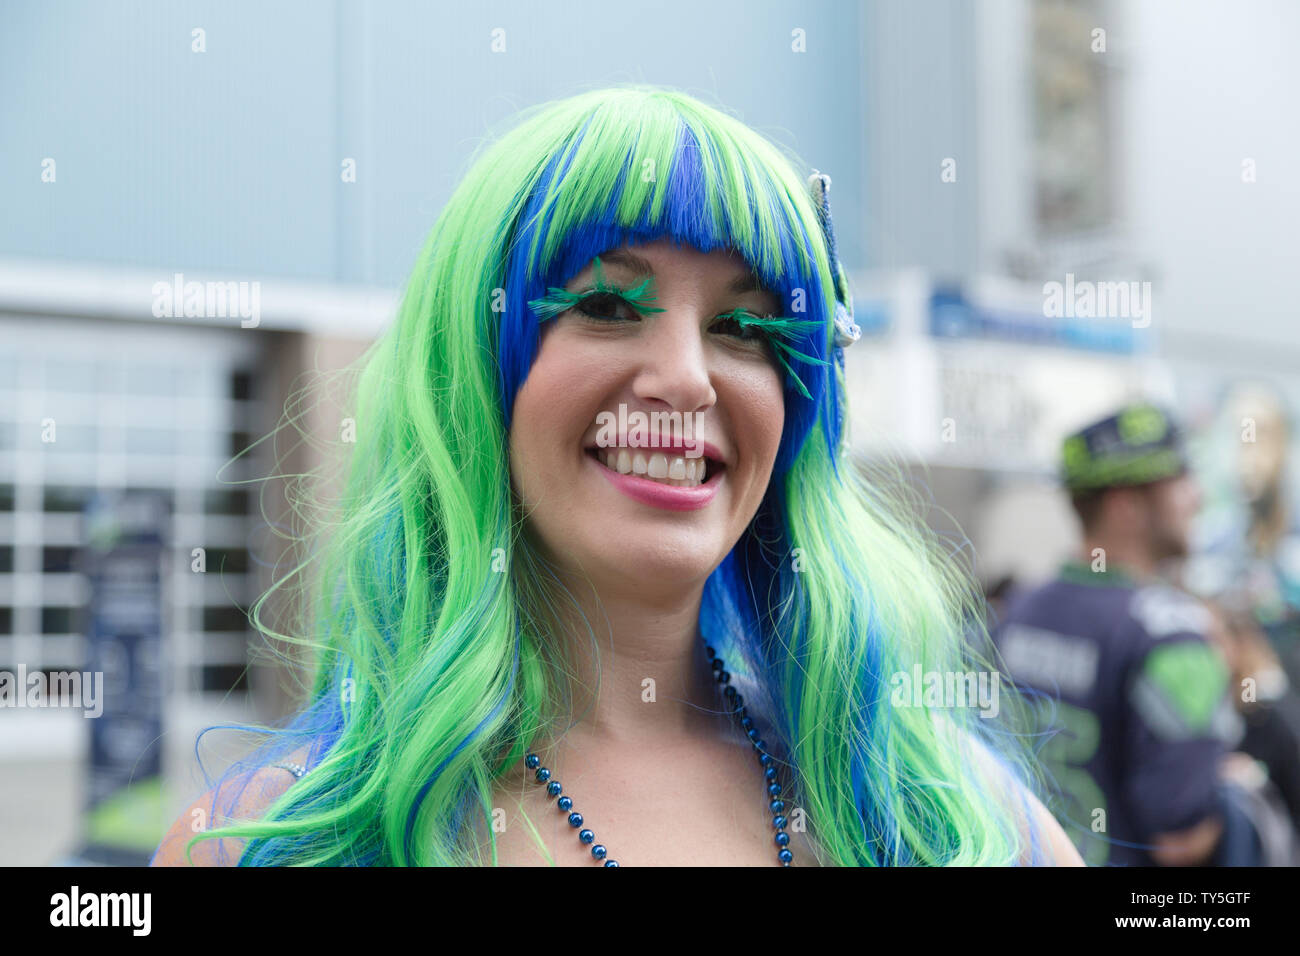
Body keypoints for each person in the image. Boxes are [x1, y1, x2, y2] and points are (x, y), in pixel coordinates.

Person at [152, 85, 1080, 867]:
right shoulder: (269, 842)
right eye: (604, 303)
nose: (685, 375)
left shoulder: (957, 825)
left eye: (746, 328)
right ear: (476, 374)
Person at [994, 402, 1255, 866]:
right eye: (1179, 481)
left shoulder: (1015, 615)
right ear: (1125, 505)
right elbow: (1182, 839)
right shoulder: (1171, 637)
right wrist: (1237, 795)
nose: (1197, 498)